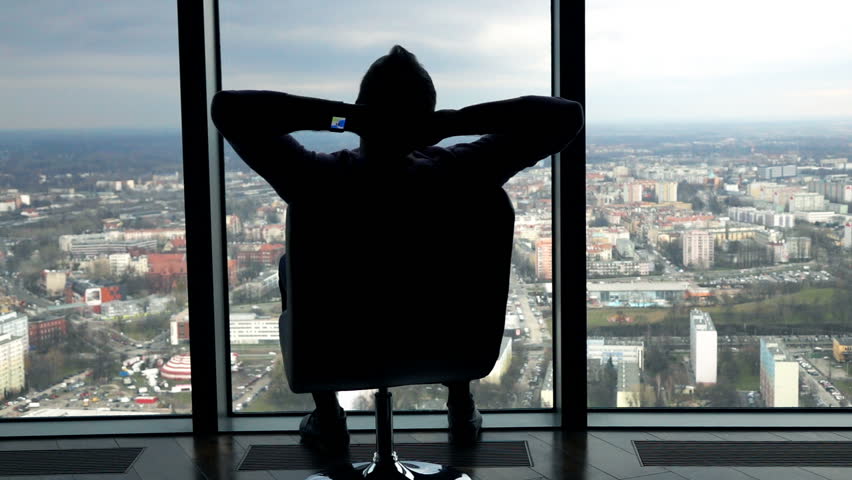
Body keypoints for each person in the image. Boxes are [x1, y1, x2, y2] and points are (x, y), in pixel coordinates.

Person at [211, 45, 583, 454]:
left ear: (362, 107)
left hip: (337, 349)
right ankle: (460, 406)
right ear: (428, 115)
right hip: (451, 343)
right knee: (457, 273)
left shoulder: (315, 179)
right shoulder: (466, 171)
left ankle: (329, 416)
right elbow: (564, 115)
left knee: (291, 268)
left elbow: (230, 109)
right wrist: (450, 124)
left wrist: (347, 119)